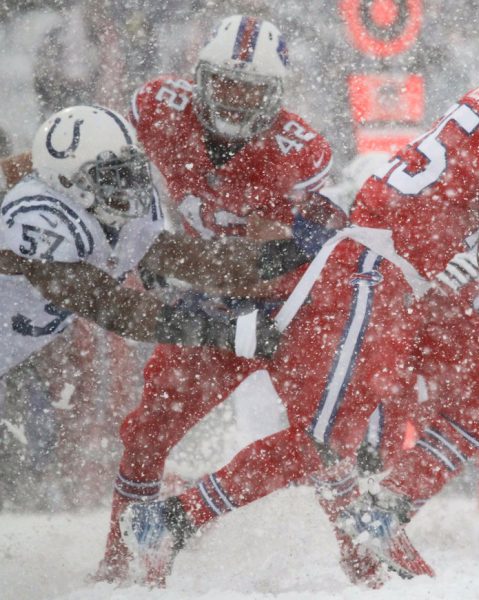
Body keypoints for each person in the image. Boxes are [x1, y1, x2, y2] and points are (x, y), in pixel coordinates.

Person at [118, 27, 479, 586]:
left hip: (408, 279)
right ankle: (172, 519)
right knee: (326, 444)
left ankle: (384, 512)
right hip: (376, 272)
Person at [95, 14, 337, 584]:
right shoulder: (158, 105)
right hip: (213, 305)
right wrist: (146, 243)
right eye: (223, 82)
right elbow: (122, 171)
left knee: (328, 440)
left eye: (248, 88)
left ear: (274, 96)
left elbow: (336, 232)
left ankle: (368, 559)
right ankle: (119, 563)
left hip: (288, 308)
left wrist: (291, 237)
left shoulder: (297, 150)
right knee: (148, 431)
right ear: (199, 78)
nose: (232, 98)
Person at [0, 104, 288, 488]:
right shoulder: (37, 219)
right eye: (110, 177)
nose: (128, 188)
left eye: (129, 172)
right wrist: (222, 331)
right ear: (69, 184)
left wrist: (290, 253)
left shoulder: (90, 199)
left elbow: (194, 259)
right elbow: (113, 307)